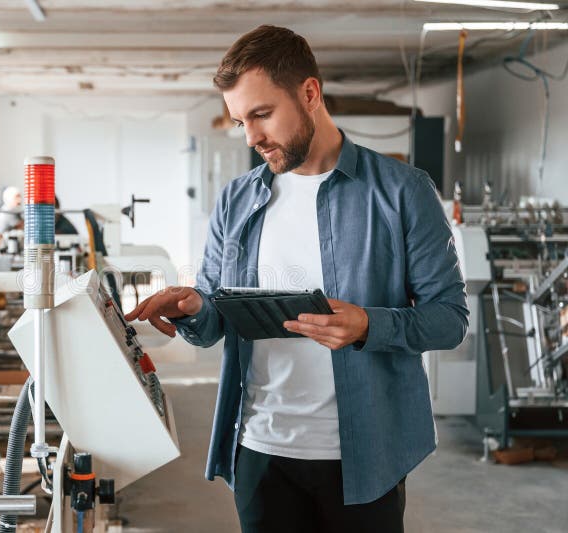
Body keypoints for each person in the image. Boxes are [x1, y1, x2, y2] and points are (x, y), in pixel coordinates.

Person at [125, 25, 468, 533]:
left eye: (262, 115)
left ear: (310, 94)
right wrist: (197, 307)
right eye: (242, 121)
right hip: (261, 450)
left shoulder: (402, 192)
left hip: (364, 455)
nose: (251, 137)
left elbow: (449, 319)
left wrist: (369, 325)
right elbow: (220, 312)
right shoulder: (237, 199)